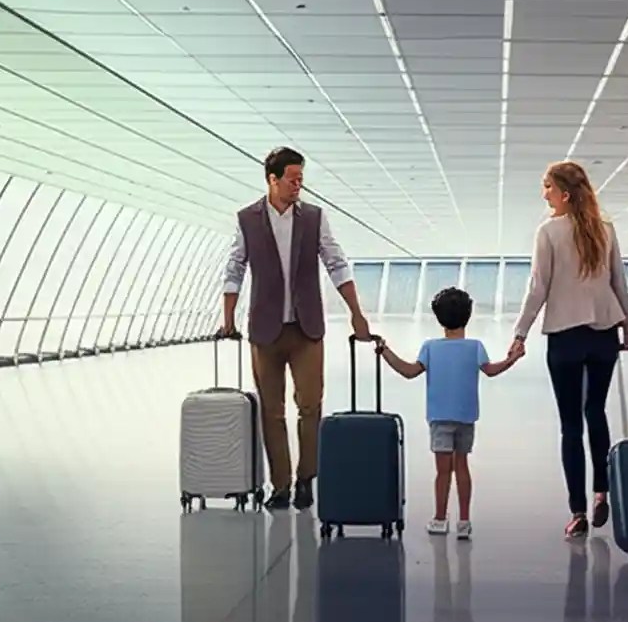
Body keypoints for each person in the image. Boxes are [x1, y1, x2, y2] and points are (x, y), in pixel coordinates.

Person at [220, 146, 372, 511]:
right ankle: (281, 485)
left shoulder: (315, 218)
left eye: (301, 179)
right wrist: (228, 318)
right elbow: (235, 268)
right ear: (272, 180)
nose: (298, 185)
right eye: (292, 179)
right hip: (265, 331)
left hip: (307, 330)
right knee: (271, 411)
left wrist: (356, 313)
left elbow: (336, 263)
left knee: (310, 404)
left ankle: (306, 478)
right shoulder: (247, 219)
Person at [510, 161, 628, 539]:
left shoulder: (548, 232)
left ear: (565, 193)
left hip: (565, 336)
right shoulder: (605, 229)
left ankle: (578, 512)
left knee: (570, 425)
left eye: (548, 187)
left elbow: (538, 287)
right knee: (595, 411)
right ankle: (602, 492)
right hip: (604, 334)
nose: (544, 194)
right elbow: (619, 282)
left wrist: (520, 334)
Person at [377, 287, 520, 540]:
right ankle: (464, 521)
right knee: (462, 466)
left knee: (443, 471)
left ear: (439, 318)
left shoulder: (430, 348)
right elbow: (491, 370)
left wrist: (384, 350)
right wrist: (512, 359)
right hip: (466, 417)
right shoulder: (475, 347)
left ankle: (440, 519)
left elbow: (408, 371)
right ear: (468, 315)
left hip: (440, 418)